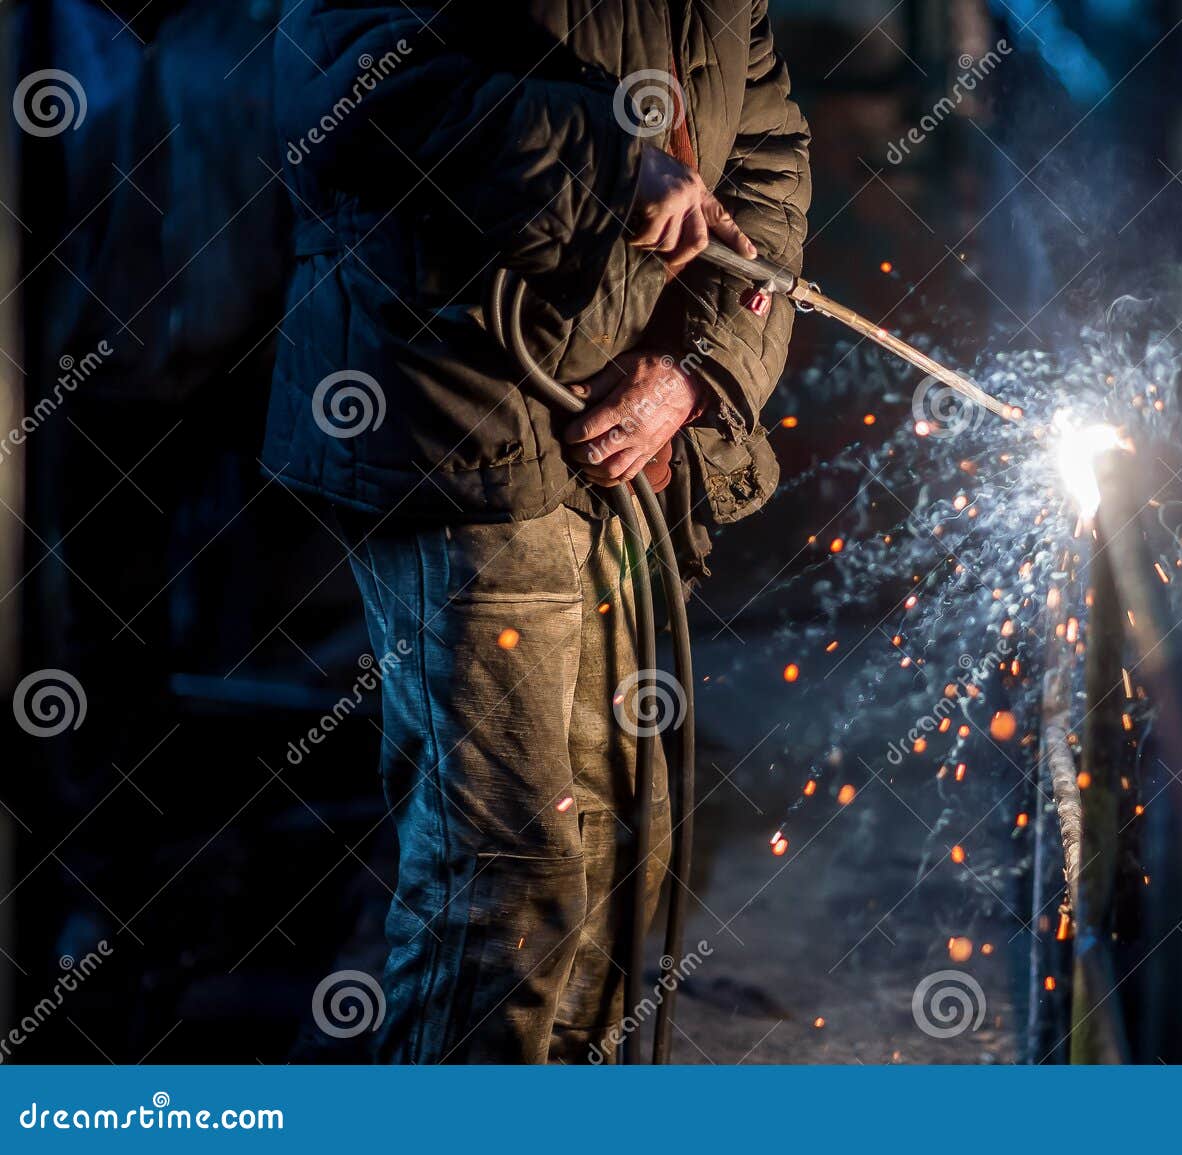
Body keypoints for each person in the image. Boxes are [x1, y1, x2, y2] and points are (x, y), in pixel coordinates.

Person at [262, 1, 810, 1063]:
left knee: (612, 856)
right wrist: (611, 153)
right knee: (507, 873)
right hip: (457, 427)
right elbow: (341, 92)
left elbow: (767, 169)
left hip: (620, 454)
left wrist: (695, 375)